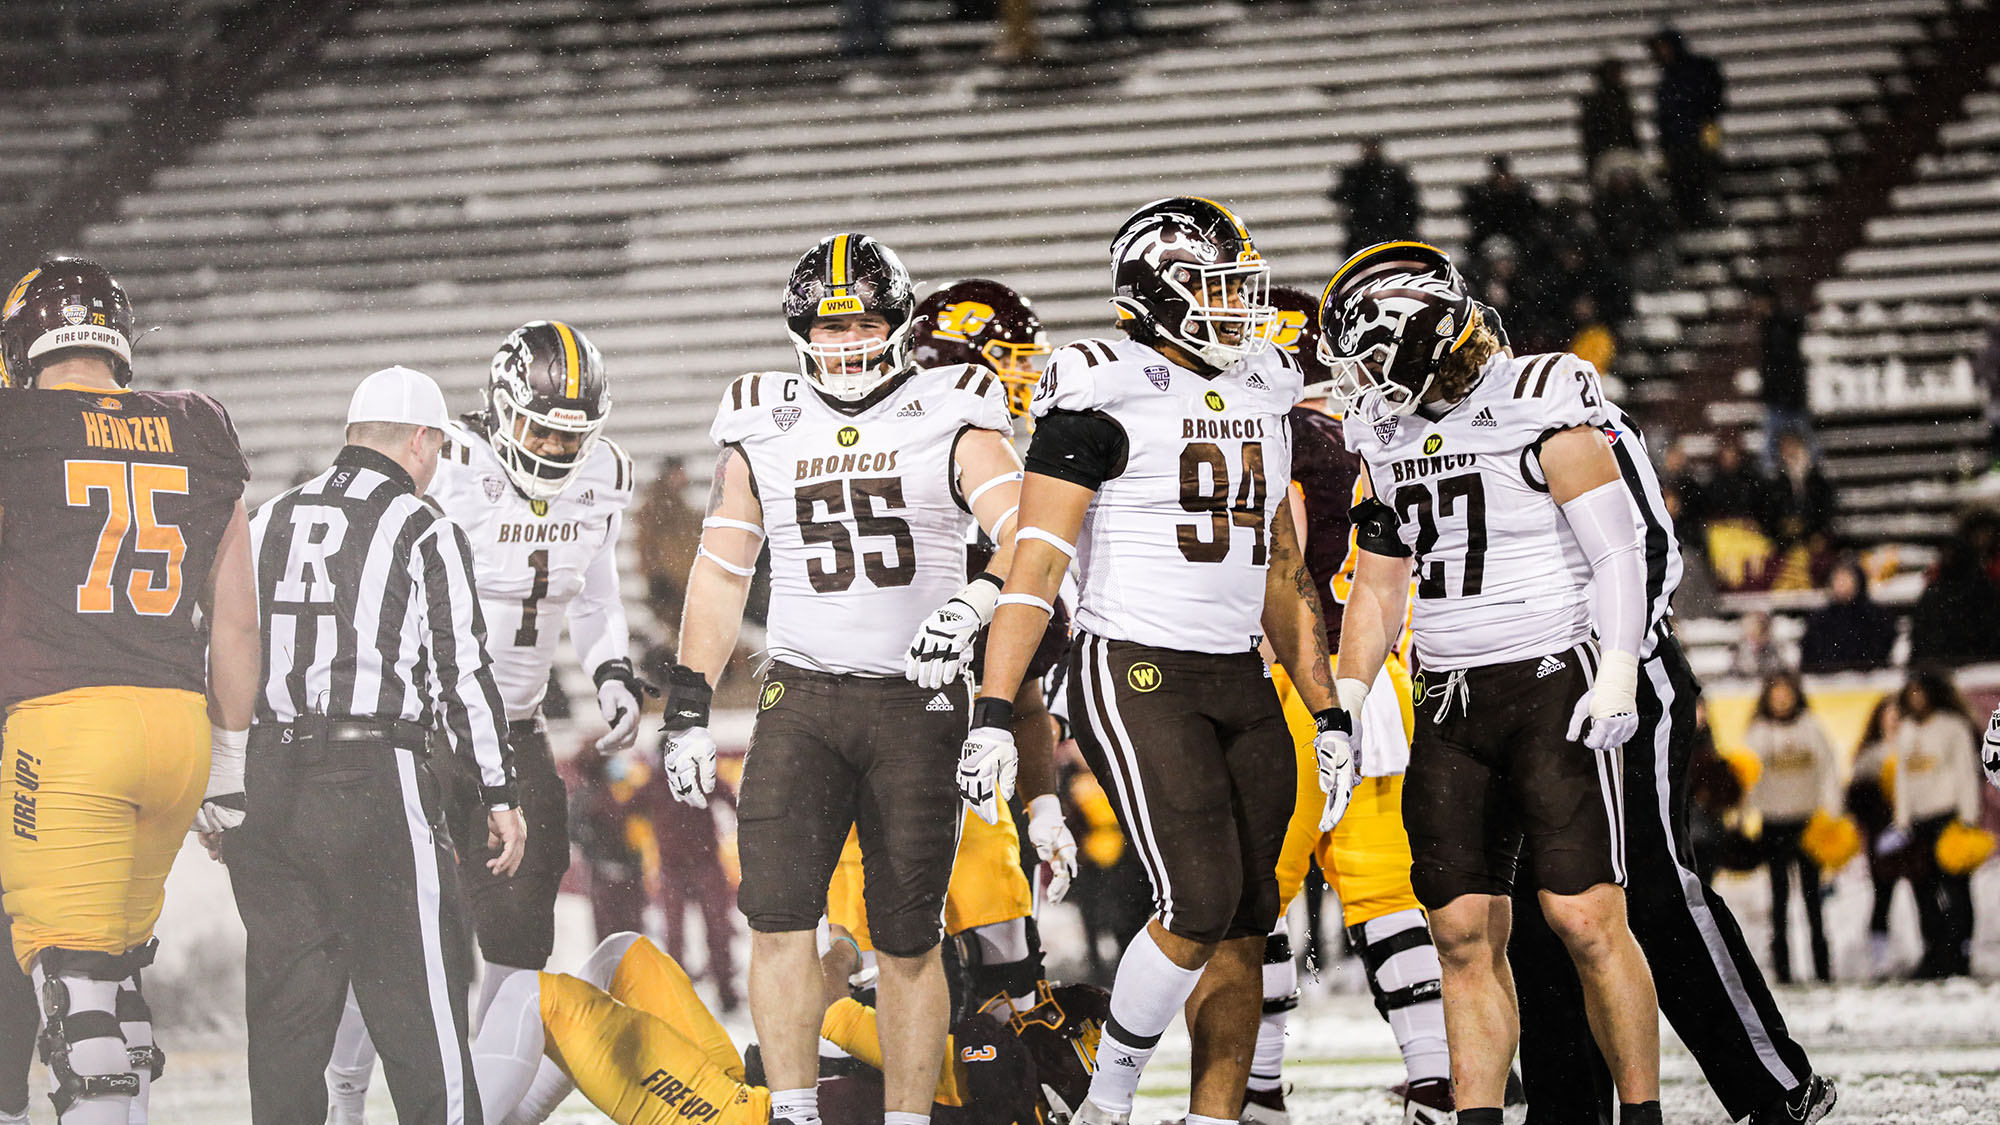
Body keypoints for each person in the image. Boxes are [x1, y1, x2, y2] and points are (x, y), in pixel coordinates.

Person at [1376, 254, 1836, 1125]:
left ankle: (1771, 1084)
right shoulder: (1412, 431)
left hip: (1623, 674)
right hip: (1516, 692)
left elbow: (1644, 548)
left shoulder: (1558, 405)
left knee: (1653, 888)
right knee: (1545, 905)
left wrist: (1604, 658)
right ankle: (1567, 1104)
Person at [969, 197, 1351, 1125]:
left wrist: (1328, 705)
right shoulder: (1102, 388)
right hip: (1134, 663)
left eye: (1237, 288)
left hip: (1238, 673)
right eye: (1213, 289)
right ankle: (1108, 1107)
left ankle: (1220, 1116)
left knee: (1250, 923)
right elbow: (1035, 566)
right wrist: (990, 709)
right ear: (1153, 295)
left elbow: (1282, 566)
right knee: (1198, 896)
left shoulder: (1262, 385)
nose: (1235, 310)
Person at [659, 232, 1027, 1125]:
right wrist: (687, 706)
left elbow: (1031, 538)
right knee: (780, 919)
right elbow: (719, 571)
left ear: (900, 324)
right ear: (798, 333)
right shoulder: (761, 419)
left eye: (862, 321)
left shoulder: (955, 406)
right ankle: (792, 1112)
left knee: (908, 936)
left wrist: (977, 602)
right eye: (827, 328)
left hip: (918, 702)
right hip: (802, 698)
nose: (845, 342)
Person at [1321, 240, 1665, 1125]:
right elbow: (1380, 585)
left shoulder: (1540, 393)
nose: (1356, 383)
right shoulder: (1385, 432)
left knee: (1587, 919)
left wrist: (1619, 663)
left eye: (1367, 358)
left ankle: (1643, 1114)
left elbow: (1616, 548)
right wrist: (1348, 701)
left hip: (1552, 675)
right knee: (1459, 933)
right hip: (1448, 695)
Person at [324, 320, 648, 1118]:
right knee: (394, 928)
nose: (553, 446)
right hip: (422, 733)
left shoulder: (602, 475)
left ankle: (479, 1108)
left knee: (517, 941)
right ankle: (340, 1098)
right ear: (499, 407)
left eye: (571, 433)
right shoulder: (448, 465)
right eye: (539, 425)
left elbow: (598, 594)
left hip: (518, 732)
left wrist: (611, 671)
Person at [227, 365, 526, 1125]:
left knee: (288, 1027)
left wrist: (224, 781)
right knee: (422, 1010)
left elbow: (221, 654)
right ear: (422, 441)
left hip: (267, 775)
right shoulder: (422, 525)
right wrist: (500, 791)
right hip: (370, 775)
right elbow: (464, 671)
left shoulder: (267, 520)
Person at [0, 258, 258, 1125]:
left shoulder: (14, 426)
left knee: (79, 1003)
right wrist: (231, 757)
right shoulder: (199, 425)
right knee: (115, 978)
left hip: (65, 730)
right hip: (178, 730)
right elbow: (237, 622)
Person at [824, 277, 1073, 1018]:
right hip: (867, 751)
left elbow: (1018, 690)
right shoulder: (903, 476)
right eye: (1011, 363)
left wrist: (1044, 806)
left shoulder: (1000, 486)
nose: (1028, 381)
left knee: (1006, 994)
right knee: (863, 986)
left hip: (960, 770)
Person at [1254, 283, 1451, 1124]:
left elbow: (1278, 566)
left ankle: (1256, 1086)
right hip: (1377, 677)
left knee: (1254, 893)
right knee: (1383, 888)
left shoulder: (1277, 435)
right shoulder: (1371, 431)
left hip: (1297, 679)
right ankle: (1439, 1073)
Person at [468, 930, 1109, 1125]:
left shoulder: (990, 1066)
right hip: (749, 1096)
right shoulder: (1011, 1097)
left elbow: (821, 1006)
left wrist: (845, 951)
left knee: (532, 995)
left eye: (1045, 1015)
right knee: (624, 954)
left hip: (740, 1118)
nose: (1023, 1010)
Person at [1744, 671, 1838, 984]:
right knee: (1779, 899)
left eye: (1787, 693)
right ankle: (1783, 971)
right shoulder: (1758, 731)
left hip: (1807, 823)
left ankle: (1822, 970)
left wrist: (1833, 813)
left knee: (1814, 900)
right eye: (1777, 694)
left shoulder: (1811, 726)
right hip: (1774, 825)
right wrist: (1744, 818)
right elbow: (1748, 775)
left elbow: (1829, 770)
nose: (1782, 700)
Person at [1897, 669, 1983, 979]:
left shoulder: (1953, 728)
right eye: (1912, 694)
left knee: (1956, 891)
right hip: (1918, 823)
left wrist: (1969, 817)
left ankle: (1958, 954)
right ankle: (1933, 952)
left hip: (1949, 818)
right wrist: (1902, 820)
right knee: (1922, 890)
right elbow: (1902, 779)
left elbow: (1965, 773)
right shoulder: (1905, 729)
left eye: (1922, 693)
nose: (1917, 700)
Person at [1848, 695, 1911, 978]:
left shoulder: (1916, 746)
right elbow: (1858, 799)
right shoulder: (1870, 755)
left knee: (1924, 893)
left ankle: (1936, 950)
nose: (1894, 719)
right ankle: (1880, 956)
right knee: (1882, 893)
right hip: (1881, 833)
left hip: (1915, 830)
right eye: (1889, 713)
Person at [1648, 25, 1727, 226]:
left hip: (1697, 136)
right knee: (1682, 182)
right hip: (1677, 141)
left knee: (1699, 174)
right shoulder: (1667, 79)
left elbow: (1713, 100)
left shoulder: (1696, 70)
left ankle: (1702, 214)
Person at [634, 455, 703, 631]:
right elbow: (647, 548)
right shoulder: (656, 510)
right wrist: (658, 576)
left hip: (680, 584)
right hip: (668, 586)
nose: (684, 478)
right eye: (679, 473)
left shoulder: (680, 508)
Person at [1909, 535, 2000, 666]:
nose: (1947, 560)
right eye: (1944, 555)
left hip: (1978, 668)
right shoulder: (1933, 594)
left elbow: (1991, 633)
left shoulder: (1985, 592)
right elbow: (1920, 636)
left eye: (1951, 555)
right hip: (1937, 667)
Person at [1750, 287, 1812, 469]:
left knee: (1795, 445)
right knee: (1775, 448)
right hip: (1782, 396)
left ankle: (1804, 479)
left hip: (1787, 397)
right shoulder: (1770, 326)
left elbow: (1782, 361)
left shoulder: (1778, 325)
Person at [1328, 138, 1422, 256]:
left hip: (1388, 229)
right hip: (1366, 231)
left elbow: (1409, 201)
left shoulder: (1392, 175)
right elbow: (1340, 196)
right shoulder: (1357, 175)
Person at [1800, 560, 1895, 672]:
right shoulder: (1820, 618)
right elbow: (1811, 652)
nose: (1841, 584)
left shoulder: (1875, 615)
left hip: (1869, 679)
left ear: (1858, 582)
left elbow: (1881, 648)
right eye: (1838, 579)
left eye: (1846, 579)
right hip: (1827, 681)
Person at [1579, 57, 1641, 179]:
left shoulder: (1623, 99)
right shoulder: (1597, 103)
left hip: (1623, 152)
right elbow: (1591, 135)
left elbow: (1630, 130)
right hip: (1606, 155)